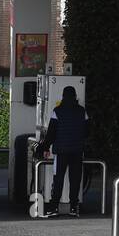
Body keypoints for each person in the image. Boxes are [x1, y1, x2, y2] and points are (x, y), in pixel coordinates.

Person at [43, 86, 89, 217]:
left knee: (58, 179)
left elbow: (51, 132)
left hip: (61, 151)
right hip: (77, 151)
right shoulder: (82, 111)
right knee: (75, 180)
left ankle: (53, 207)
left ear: (63, 96)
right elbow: (87, 131)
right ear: (75, 97)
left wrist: (46, 148)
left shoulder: (57, 111)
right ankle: (74, 207)